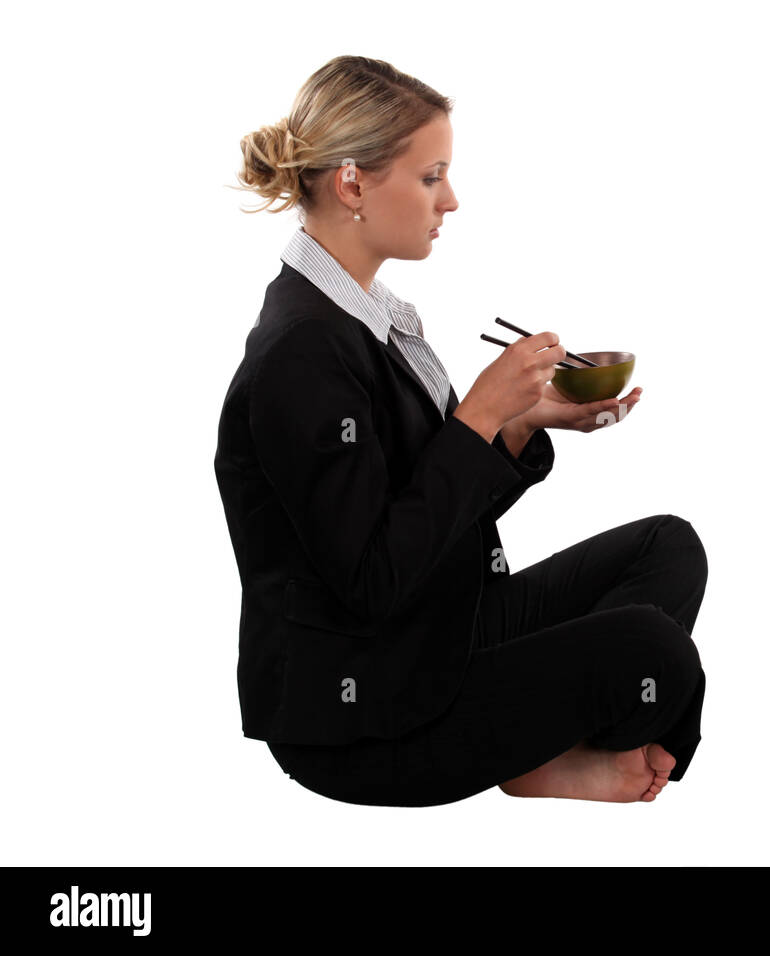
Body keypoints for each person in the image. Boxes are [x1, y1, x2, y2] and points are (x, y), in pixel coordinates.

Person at [215, 55, 707, 807]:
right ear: (352, 184)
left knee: (668, 547)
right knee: (656, 651)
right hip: (363, 721)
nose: (451, 200)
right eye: (429, 176)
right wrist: (476, 417)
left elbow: (426, 516)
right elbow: (374, 580)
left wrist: (513, 426)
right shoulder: (302, 353)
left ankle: (536, 742)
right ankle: (535, 752)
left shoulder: (360, 318)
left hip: (432, 637)